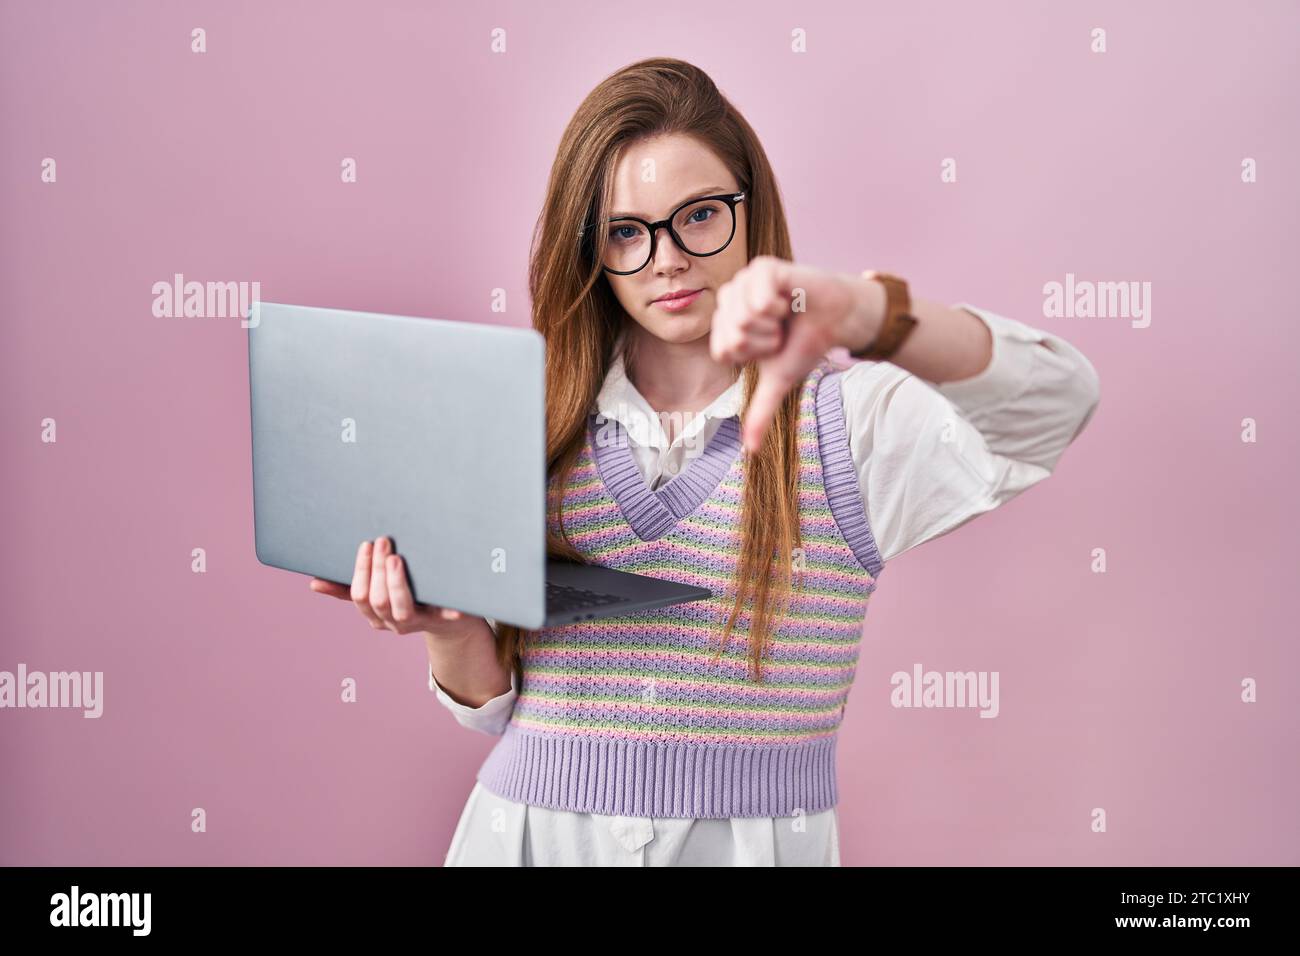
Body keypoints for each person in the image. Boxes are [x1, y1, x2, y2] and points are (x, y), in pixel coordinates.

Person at [310, 57, 1101, 866]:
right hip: (524, 836)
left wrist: (871, 314)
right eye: (626, 231)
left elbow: (1054, 403)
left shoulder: (846, 426)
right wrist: (448, 628)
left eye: (698, 216)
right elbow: (491, 707)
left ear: (752, 212)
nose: (666, 258)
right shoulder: (532, 419)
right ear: (591, 250)